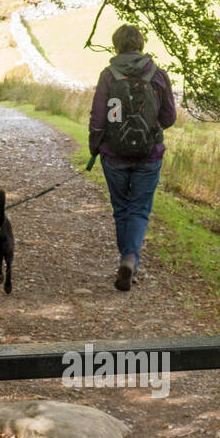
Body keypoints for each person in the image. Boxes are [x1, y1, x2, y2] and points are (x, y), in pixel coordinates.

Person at [88, 24, 176, 291]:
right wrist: (149, 126)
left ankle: (127, 259)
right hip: (149, 155)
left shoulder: (109, 76)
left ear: (117, 46)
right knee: (139, 209)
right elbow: (169, 118)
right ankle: (130, 260)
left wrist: (95, 147)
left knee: (122, 209)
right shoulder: (157, 74)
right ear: (141, 44)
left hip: (114, 155)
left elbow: (100, 118)